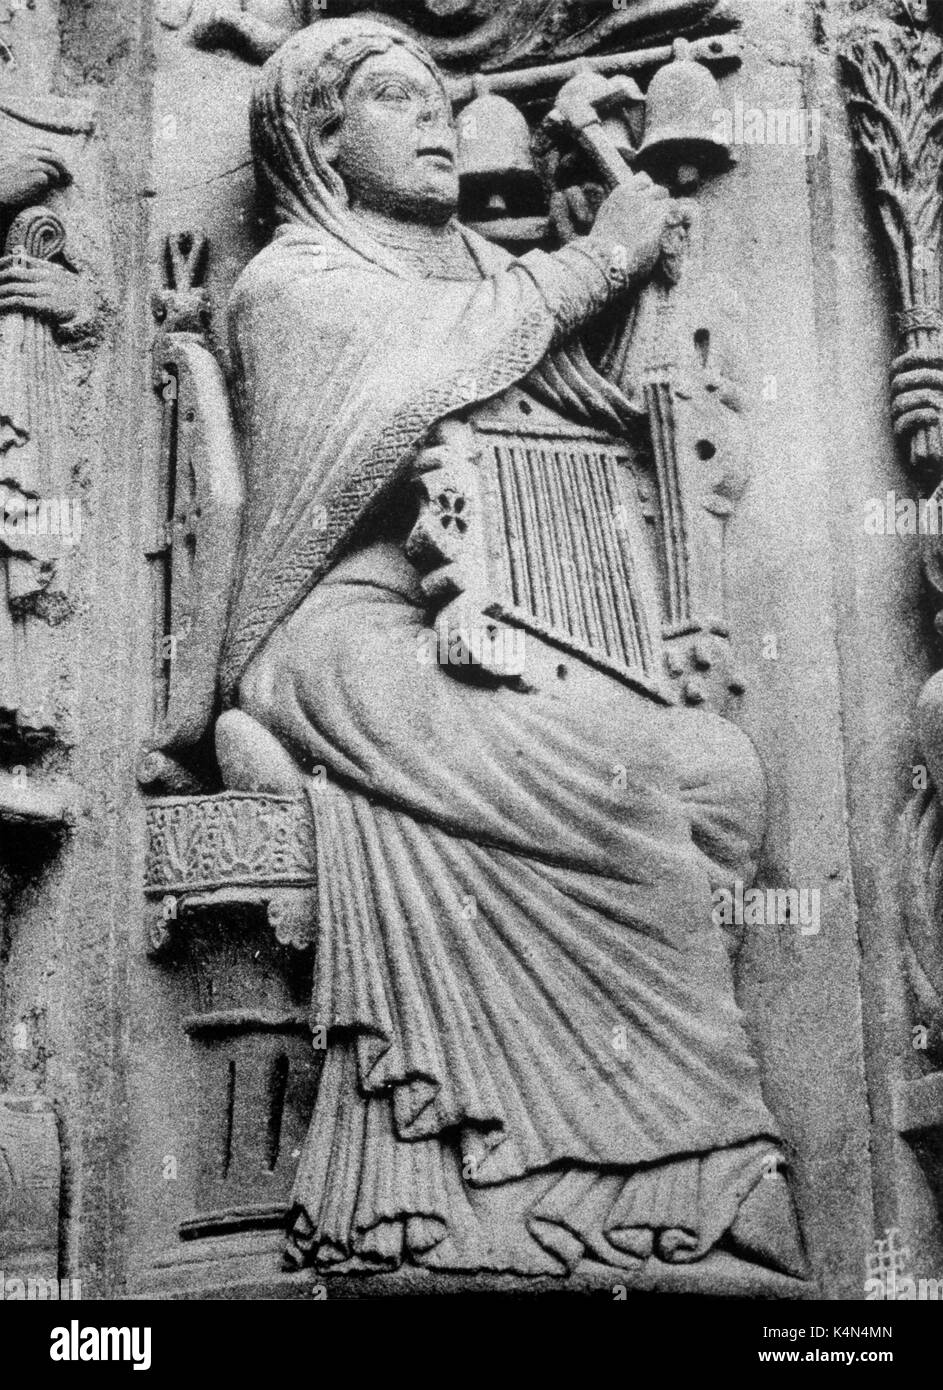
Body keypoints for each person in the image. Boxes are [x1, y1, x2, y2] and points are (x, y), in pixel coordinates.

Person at [218, 16, 805, 1278]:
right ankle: (697, 1166)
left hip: (506, 628)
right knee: (629, 790)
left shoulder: (484, 265)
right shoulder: (293, 286)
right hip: (349, 641)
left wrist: (642, 270)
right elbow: (434, 370)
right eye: (392, 97)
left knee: (717, 772)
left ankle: (597, 1177)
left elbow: (592, 408)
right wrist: (592, 261)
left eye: (442, 96)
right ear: (317, 138)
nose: (435, 119)